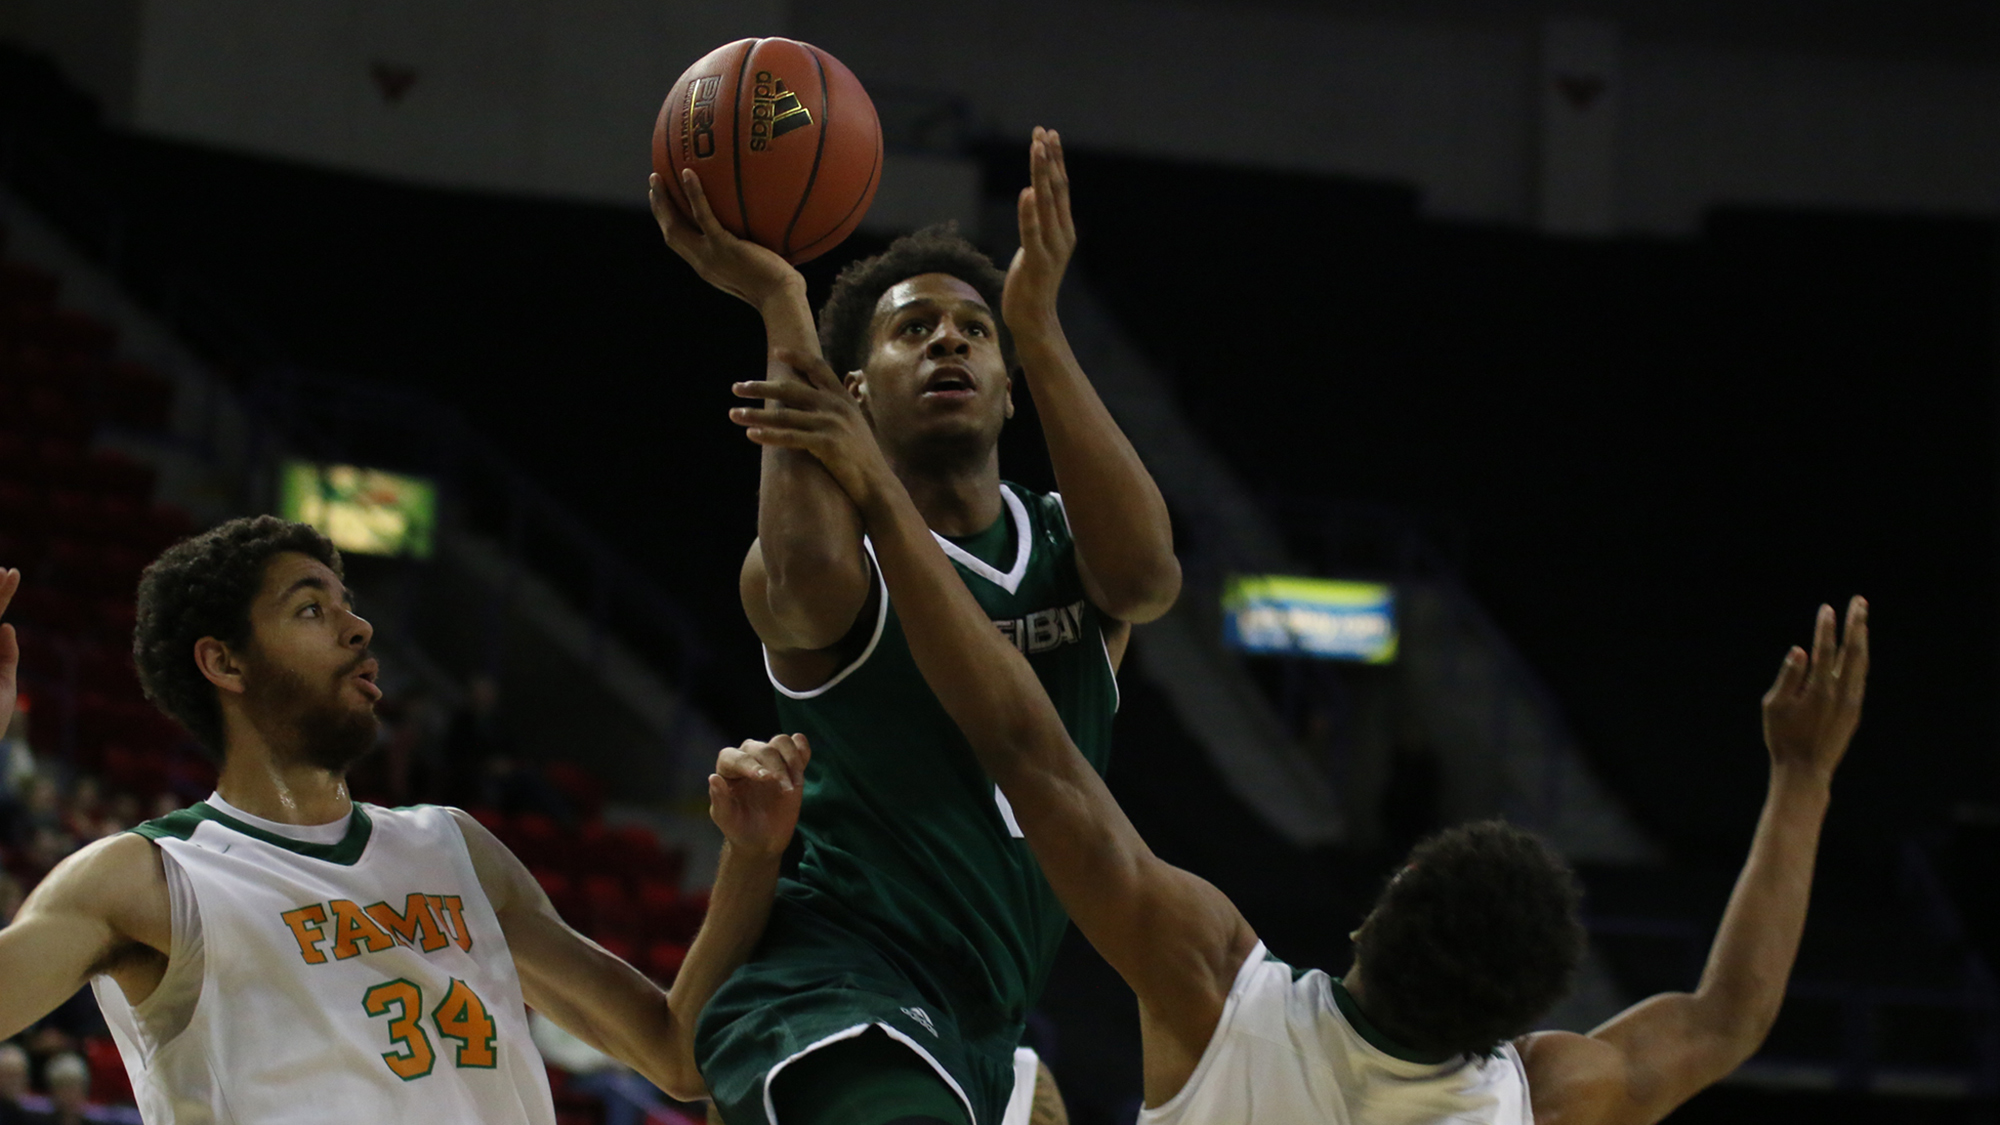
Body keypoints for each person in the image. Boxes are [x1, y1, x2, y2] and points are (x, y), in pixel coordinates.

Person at [729, 347, 1872, 1125]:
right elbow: (1730, 1015)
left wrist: (880, 497)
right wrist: (1802, 778)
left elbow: (1029, 752)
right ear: (1516, 1016)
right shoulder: (1547, 1097)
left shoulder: (1215, 987)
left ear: (1379, 907)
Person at [652, 128, 1174, 1125]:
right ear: (853, 390)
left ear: (1007, 388)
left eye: (974, 333)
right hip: (837, 989)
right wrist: (781, 307)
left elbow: (1147, 578)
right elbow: (801, 584)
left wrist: (1040, 328)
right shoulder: (830, 560)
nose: (948, 341)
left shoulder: (1067, 546)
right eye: (912, 329)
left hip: (983, 1016)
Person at [0, 525, 808, 1121]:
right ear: (225, 662)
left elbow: (675, 1053)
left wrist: (749, 855)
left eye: (348, 605)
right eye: (311, 609)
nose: (359, 628)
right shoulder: (148, 877)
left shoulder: (456, 850)